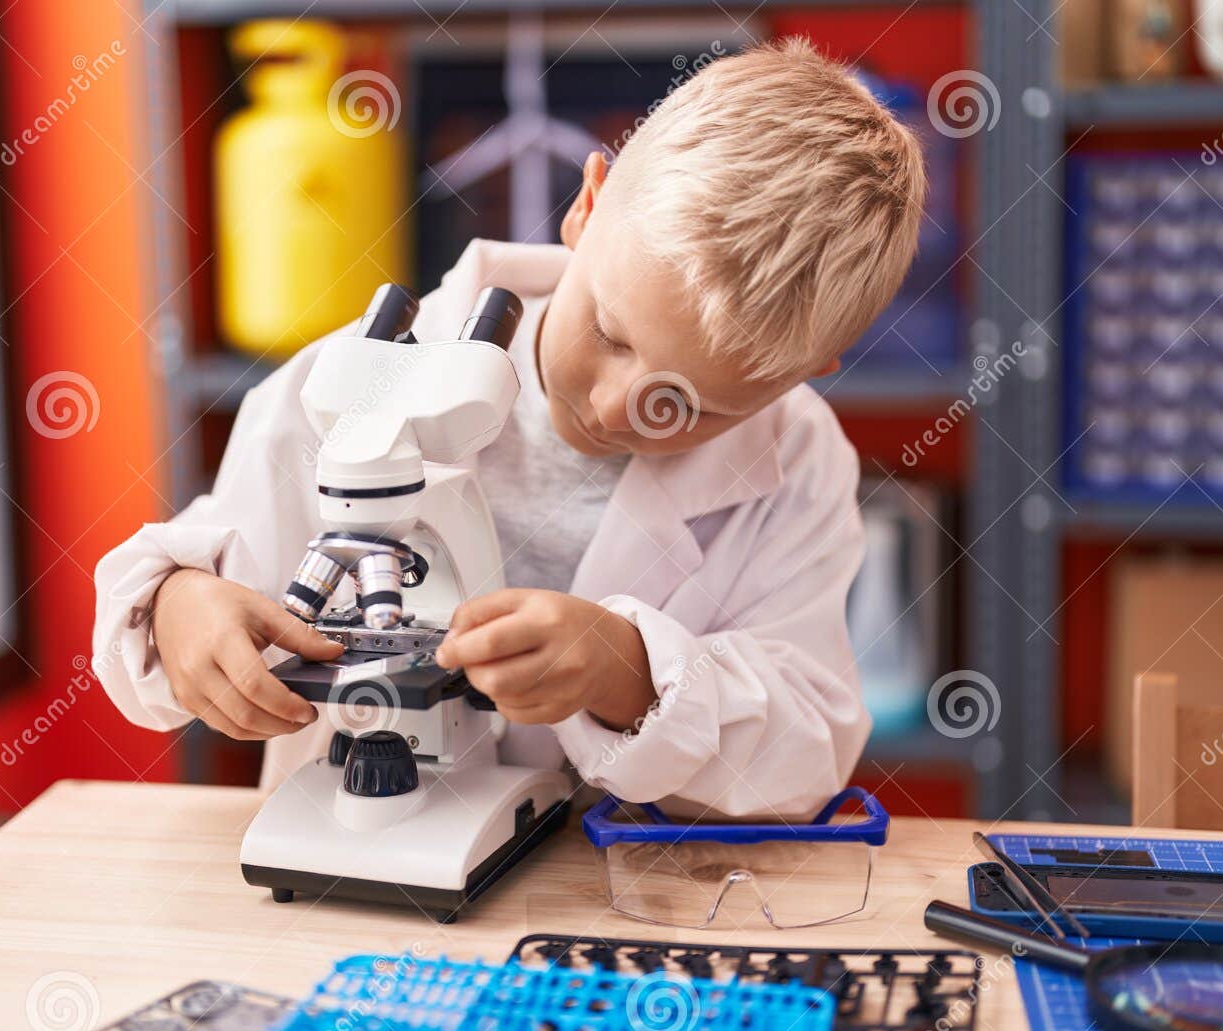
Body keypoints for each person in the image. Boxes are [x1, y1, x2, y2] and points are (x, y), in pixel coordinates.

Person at [94, 38, 926, 819]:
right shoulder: (350, 378)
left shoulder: (800, 460)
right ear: (586, 208)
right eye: (611, 334)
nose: (616, 407)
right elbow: (201, 574)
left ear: (799, 378)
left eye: (694, 403)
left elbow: (809, 749)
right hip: (355, 858)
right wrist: (176, 606)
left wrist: (631, 670)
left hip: (617, 899)